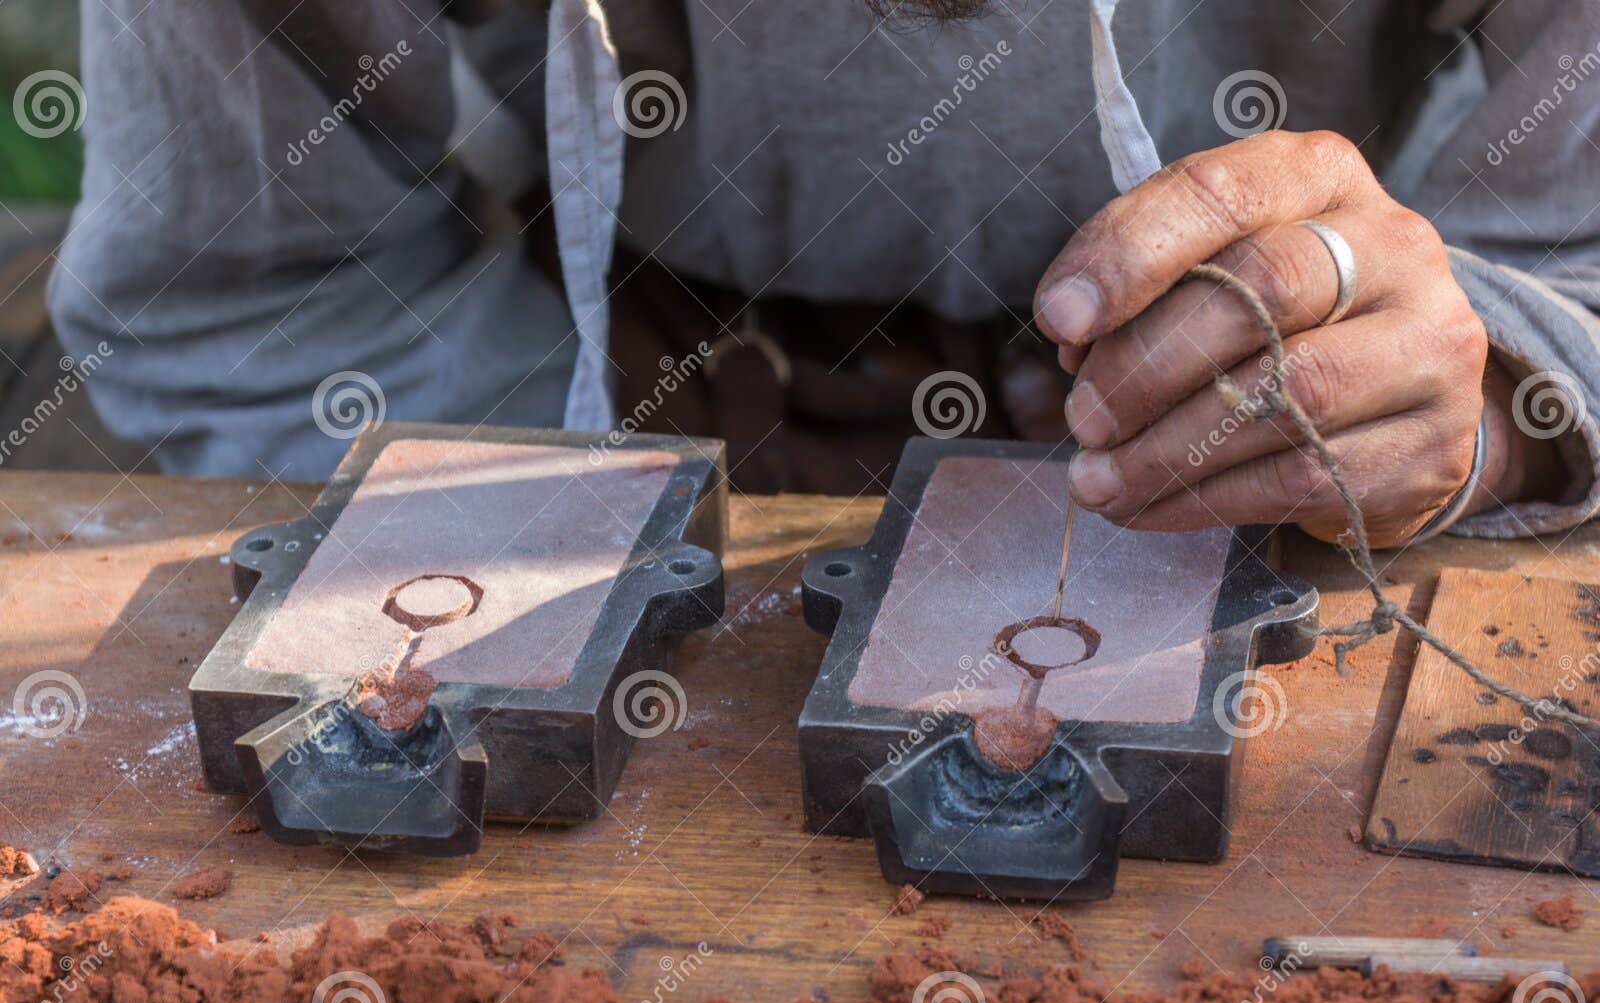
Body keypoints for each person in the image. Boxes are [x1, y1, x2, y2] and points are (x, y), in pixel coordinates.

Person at [49, 0, 1600, 549]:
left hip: (1284, 493)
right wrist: (572, 510)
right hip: (607, 408)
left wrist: (1497, 399)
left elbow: (1574, 279)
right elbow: (241, 294)